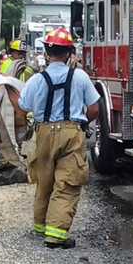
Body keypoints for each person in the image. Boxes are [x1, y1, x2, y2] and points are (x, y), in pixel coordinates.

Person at [17, 28, 99, 249]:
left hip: (43, 132)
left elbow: (22, 106)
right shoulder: (80, 77)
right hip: (72, 132)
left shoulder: (36, 79)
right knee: (67, 183)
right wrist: (82, 123)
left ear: (46, 52)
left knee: (44, 180)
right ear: (70, 53)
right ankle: (55, 235)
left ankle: (41, 227)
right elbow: (94, 108)